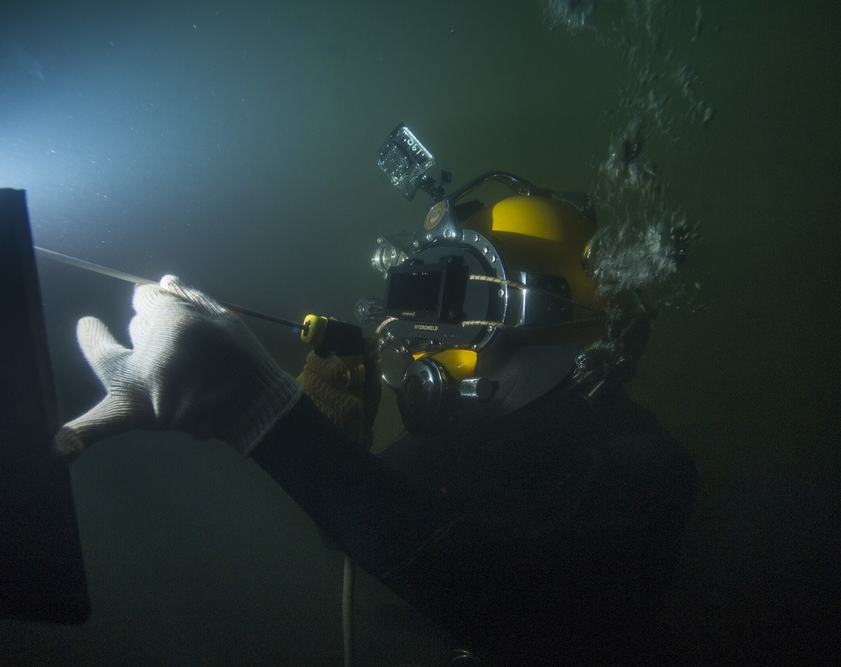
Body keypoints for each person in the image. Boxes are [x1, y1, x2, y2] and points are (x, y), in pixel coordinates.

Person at [54, 162, 697, 664]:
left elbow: (524, 610)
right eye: (416, 296)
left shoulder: (640, 466)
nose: (422, 334)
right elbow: (377, 547)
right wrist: (338, 447)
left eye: (455, 300)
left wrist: (272, 421)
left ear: (544, 313)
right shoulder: (440, 450)